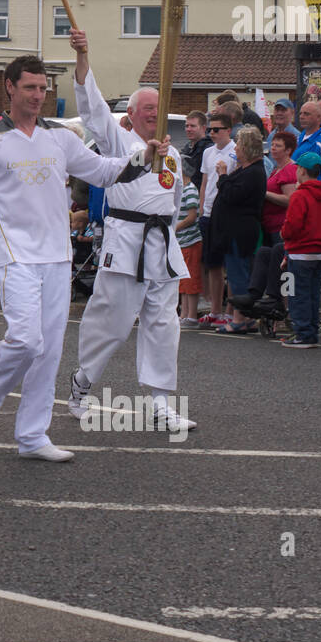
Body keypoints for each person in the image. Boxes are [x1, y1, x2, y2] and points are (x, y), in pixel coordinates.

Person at [0, 55, 166, 462]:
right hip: (15, 256)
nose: (37, 95)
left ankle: (32, 436)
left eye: (43, 88)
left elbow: (103, 171)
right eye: (29, 87)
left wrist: (140, 159)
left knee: (48, 350)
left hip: (58, 255)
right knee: (26, 340)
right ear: (9, 87)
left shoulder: (61, 137)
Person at [68, 28, 194, 430]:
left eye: (159, 109)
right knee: (112, 323)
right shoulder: (116, 141)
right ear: (132, 114)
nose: (154, 115)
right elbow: (91, 109)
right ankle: (82, 384)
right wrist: (83, 57)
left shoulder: (172, 154)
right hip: (125, 243)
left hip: (161, 244)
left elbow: (172, 206)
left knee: (163, 324)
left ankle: (160, 404)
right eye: (147, 110)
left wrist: (169, 238)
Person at [209, 128, 267, 334]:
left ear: (248, 148)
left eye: (239, 146)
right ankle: (246, 317)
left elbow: (232, 195)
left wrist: (223, 176)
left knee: (239, 274)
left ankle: (240, 318)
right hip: (232, 229)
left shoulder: (255, 172)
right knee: (236, 273)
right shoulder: (244, 170)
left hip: (240, 231)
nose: (236, 150)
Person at [278, 152, 321, 348]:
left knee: (296, 293)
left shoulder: (299, 195)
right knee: (312, 293)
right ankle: (311, 332)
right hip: (319, 251)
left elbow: (292, 225)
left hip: (299, 251)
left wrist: (284, 234)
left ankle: (302, 333)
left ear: (301, 170)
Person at [197, 111, 238, 327]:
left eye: (216, 130)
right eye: (210, 129)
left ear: (228, 131)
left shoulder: (235, 152)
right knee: (212, 264)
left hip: (227, 214)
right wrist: (203, 206)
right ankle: (215, 309)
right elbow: (205, 181)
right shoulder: (207, 152)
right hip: (209, 213)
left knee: (229, 264)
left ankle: (230, 310)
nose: (212, 133)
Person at [176, 157, 203, 328]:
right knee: (183, 279)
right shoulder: (181, 189)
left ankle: (191, 315)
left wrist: (176, 227)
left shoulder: (190, 190)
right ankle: (184, 313)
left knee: (191, 278)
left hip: (190, 240)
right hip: (181, 241)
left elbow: (192, 216)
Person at [261, 130, 299, 245]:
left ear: (288, 150)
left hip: (280, 227)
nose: (273, 148)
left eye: (278, 146)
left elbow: (290, 200)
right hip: (271, 226)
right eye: (272, 144)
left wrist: (264, 193)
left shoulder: (290, 170)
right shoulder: (277, 169)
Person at [293, 99, 321, 187]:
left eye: (306, 114)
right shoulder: (299, 138)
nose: (301, 116)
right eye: (300, 113)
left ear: (318, 117)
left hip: (312, 195)